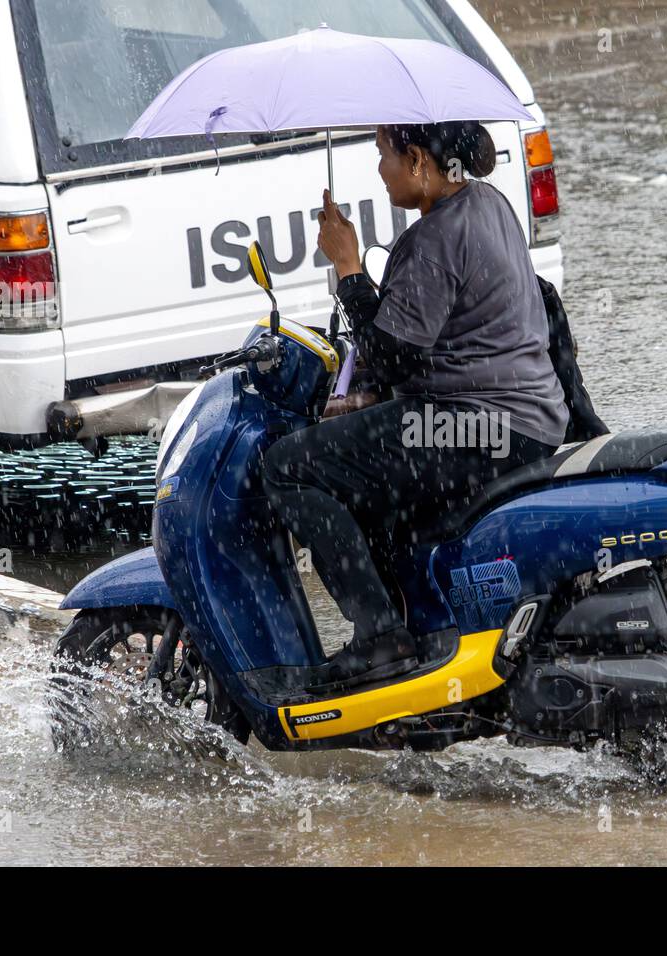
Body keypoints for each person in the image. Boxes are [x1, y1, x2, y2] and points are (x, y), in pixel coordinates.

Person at [262, 120, 568, 684]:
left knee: (289, 466)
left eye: (385, 155)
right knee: (359, 461)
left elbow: (389, 357)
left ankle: (381, 636)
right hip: (527, 420)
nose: (381, 171)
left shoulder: (434, 240)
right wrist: (365, 401)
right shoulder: (490, 203)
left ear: (421, 161)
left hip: (477, 428)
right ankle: (419, 621)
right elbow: (434, 343)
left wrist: (349, 266)